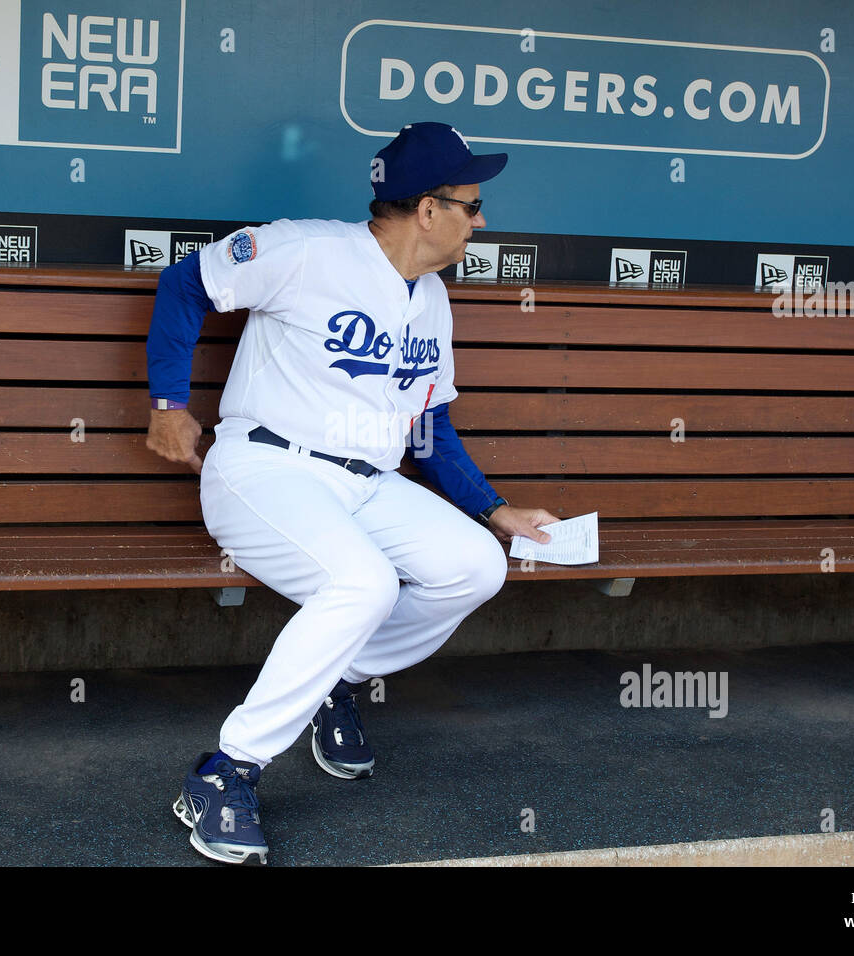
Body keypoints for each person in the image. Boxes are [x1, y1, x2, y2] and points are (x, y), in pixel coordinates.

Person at [144, 121, 559, 865]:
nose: (482, 219)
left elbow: (429, 424)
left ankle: (338, 680)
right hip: (264, 468)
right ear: (427, 210)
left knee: (477, 566)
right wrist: (169, 405)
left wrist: (496, 512)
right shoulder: (306, 250)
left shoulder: (431, 297)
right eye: (470, 203)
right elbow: (186, 284)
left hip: (365, 482)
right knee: (361, 583)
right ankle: (226, 769)